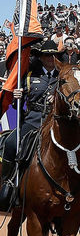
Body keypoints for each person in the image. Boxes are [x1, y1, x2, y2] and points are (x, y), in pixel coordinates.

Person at [0, 40, 60, 208]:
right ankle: (9, 183)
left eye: (53, 55)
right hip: (33, 119)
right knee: (11, 143)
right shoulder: (29, 75)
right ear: (41, 57)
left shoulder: (62, 76)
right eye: (46, 55)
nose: (50, 59)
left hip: (55, 122)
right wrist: (17, 97)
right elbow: (17, 104)